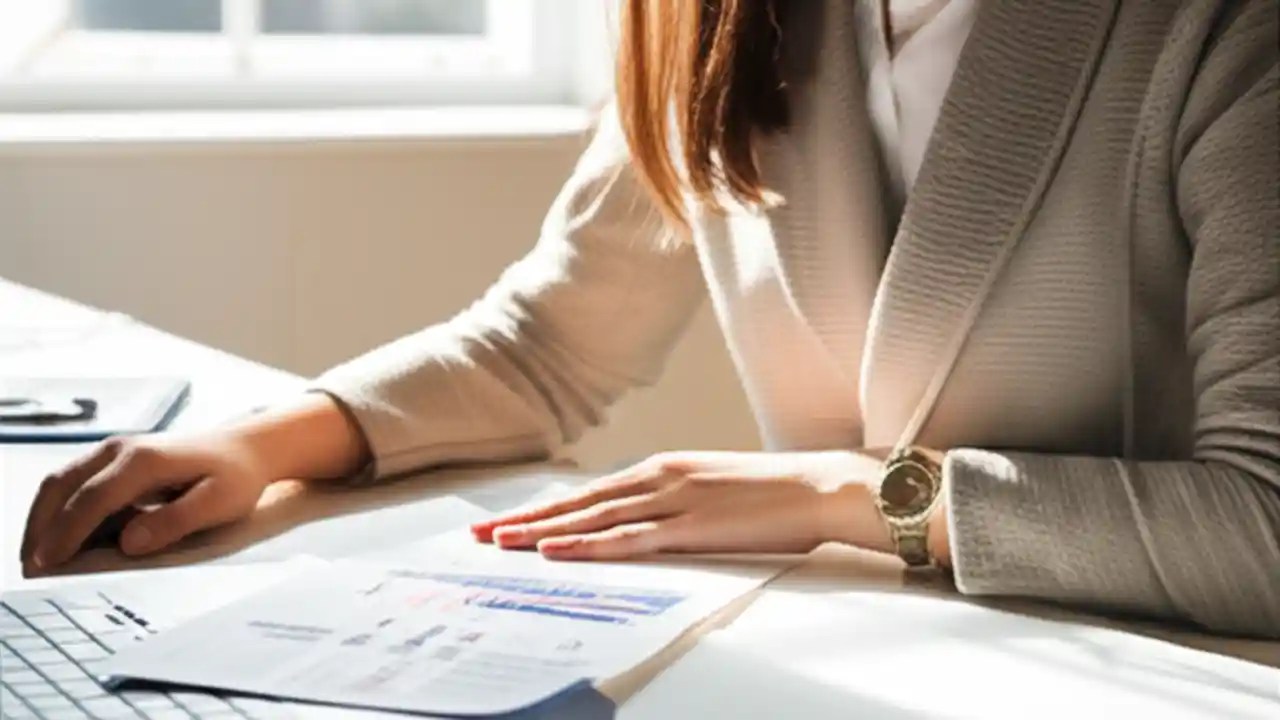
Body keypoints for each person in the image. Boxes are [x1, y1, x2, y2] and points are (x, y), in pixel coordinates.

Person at [21, 0, 1279, 638]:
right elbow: (548, 340)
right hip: (849, 655)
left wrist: (857, 494)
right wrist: (265, 446)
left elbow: (1264, 520)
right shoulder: (707, 12)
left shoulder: (1224, 28)